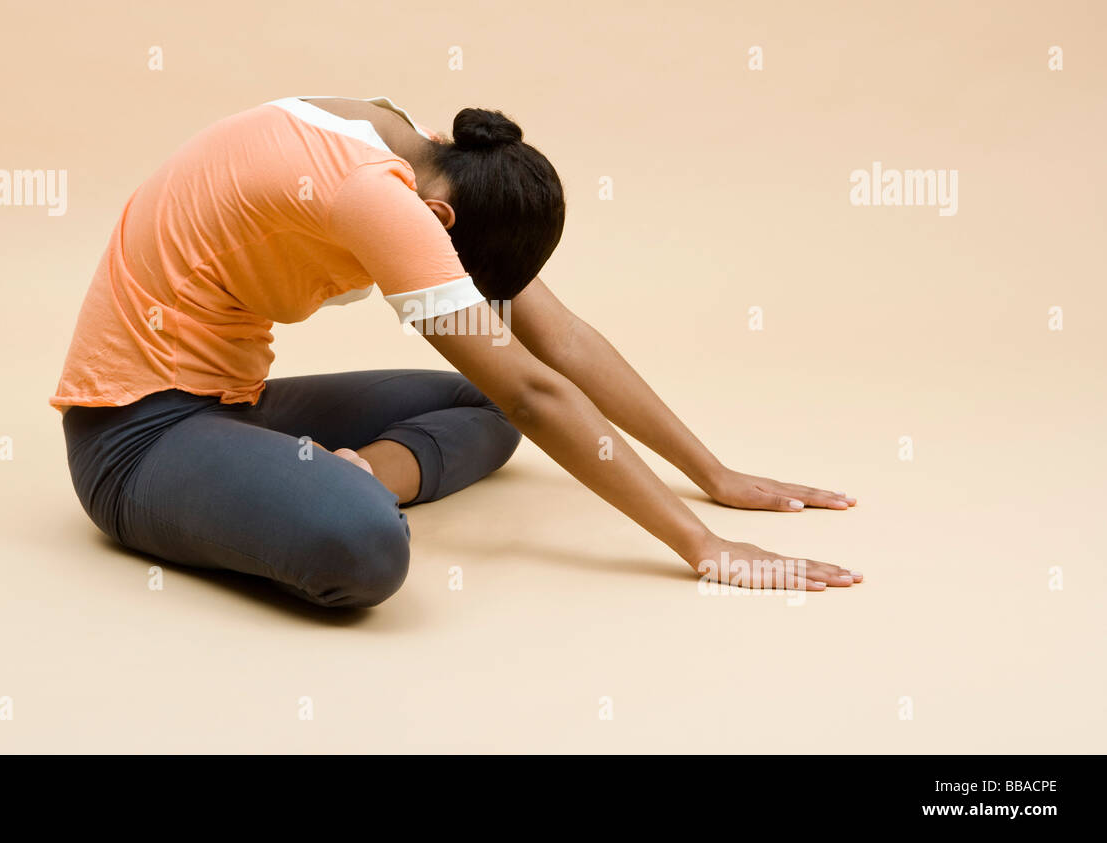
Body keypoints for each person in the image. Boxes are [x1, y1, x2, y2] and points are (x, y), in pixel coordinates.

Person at [51, 95, 862, 607]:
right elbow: (535, 394)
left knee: (475, 404)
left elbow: (560, 343)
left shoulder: (407, 142)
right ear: (439, 226)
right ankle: (345, 491)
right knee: (366, 549)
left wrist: (713, 474)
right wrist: (704, 547)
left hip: (233, 405)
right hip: (133, 441)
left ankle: (357, 469)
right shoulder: (375, 198)